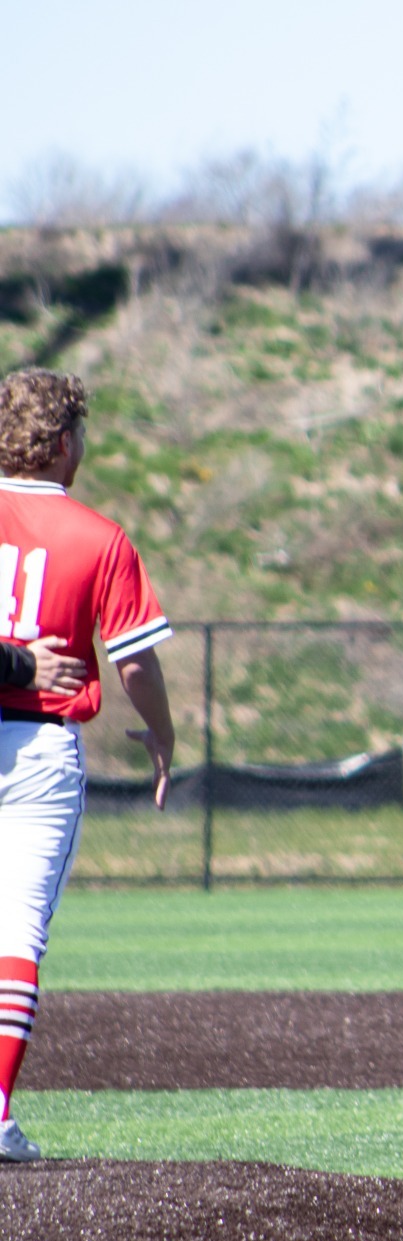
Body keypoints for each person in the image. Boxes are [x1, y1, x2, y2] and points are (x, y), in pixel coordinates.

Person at [0, 369, 175, 1164]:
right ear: (66, 442)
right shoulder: (100, 536)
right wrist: (162, 734)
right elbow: (134, 663)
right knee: (18, 934)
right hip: (37, 750)